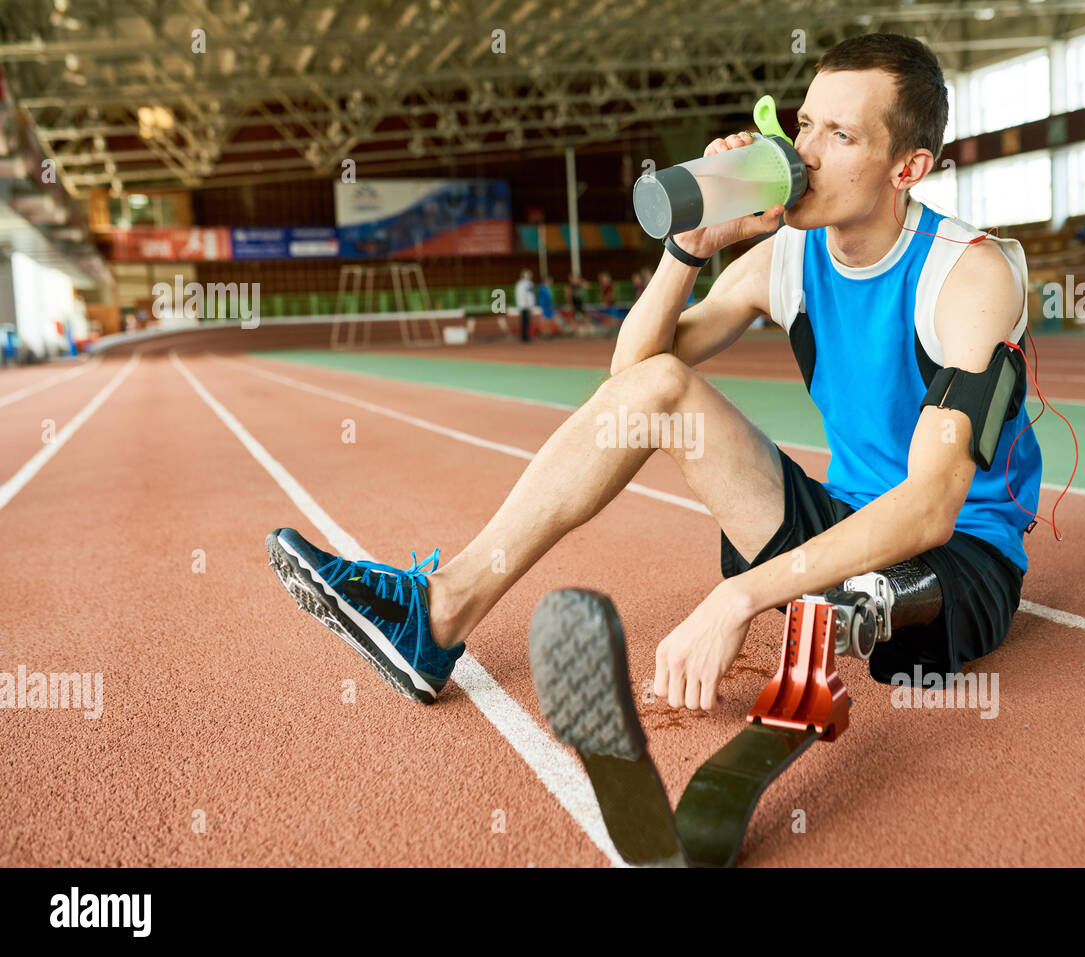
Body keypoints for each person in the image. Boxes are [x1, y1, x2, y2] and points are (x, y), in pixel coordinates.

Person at [266, 32, 1042, 711]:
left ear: (908, 166)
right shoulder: (789, 256)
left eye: (839, 135)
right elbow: (630, 386)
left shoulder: (966, 276)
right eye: (804, 123)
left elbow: (930, 508)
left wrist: (738, 595)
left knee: (904, 604)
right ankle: (437, 615)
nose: (802, 153)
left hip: (957, 567)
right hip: (839, 533)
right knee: (661, 387)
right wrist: (691, 249)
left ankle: (845, 606)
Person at [514, 268, 536, 343]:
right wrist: (523, 304)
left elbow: (531, 295)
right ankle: (524, 337)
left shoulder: (530, 283)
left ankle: (527, 335)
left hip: (529, 306)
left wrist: (531, 305)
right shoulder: (520, 284)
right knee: (524, 322)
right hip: (524, 306)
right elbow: (521, 295)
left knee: (528, 321)